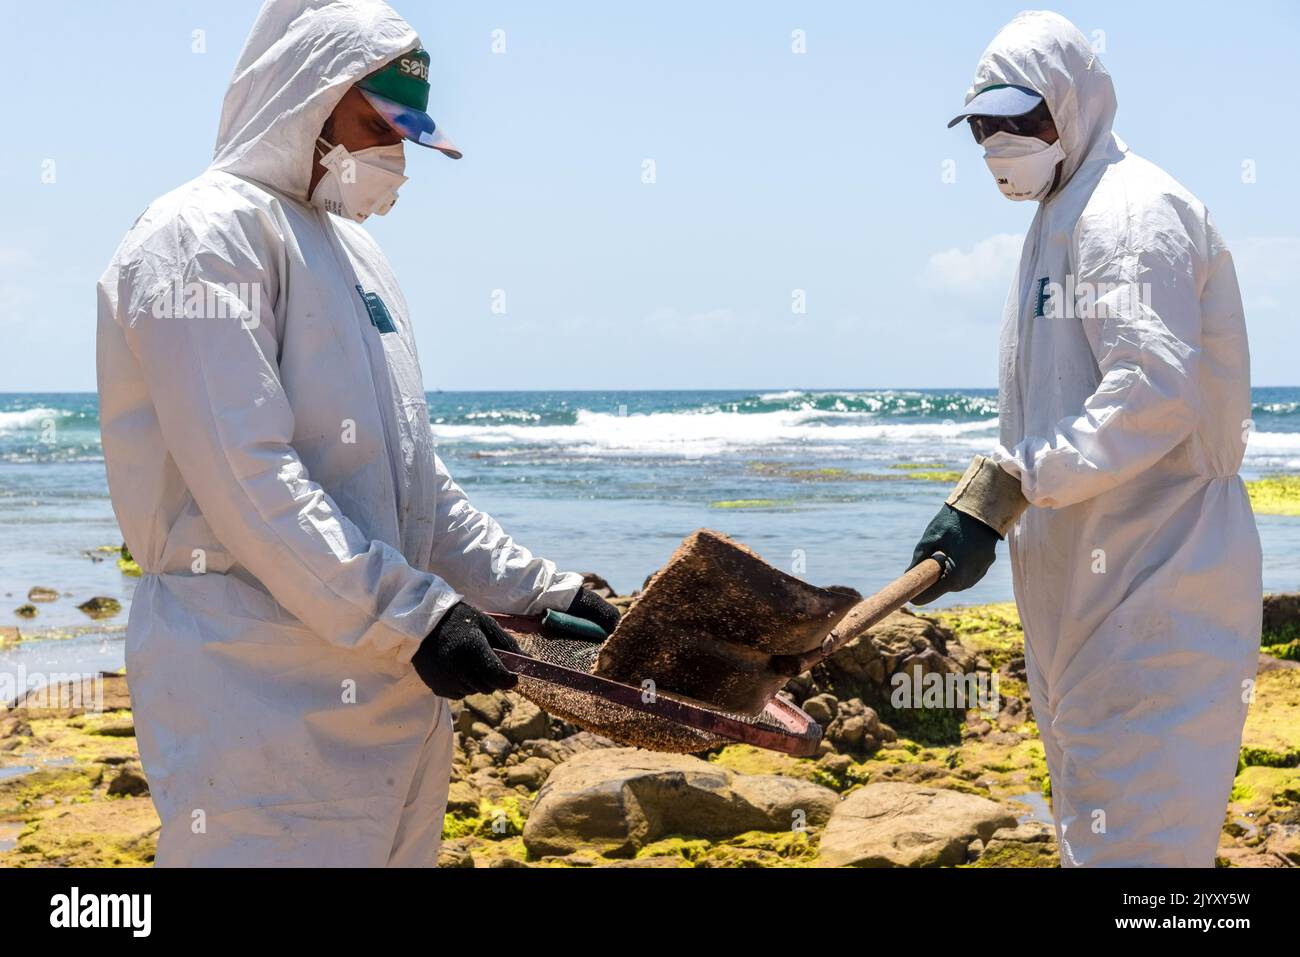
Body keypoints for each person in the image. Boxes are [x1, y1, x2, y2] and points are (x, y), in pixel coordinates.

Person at [95, 0, 618, 867]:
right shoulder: (199, 235)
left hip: (394, 707)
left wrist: (539, 592)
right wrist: (411, 616)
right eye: (381, 124)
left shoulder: (353, 253)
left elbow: (414, 484)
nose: (396, 157)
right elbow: (246, 475)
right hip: (257, 699)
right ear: (311, 93)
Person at [908, 11, 1261, 866]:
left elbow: (1151, 389)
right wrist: (1010, 493)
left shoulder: (1132, 212)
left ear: (1077, 105)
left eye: (1022, 120)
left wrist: (1007, 486)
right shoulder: (1060, 215)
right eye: (984, 126)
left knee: (1141, 856)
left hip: (1158, 590)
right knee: (1096, 836)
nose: (1001, 141)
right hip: (1085, 603)